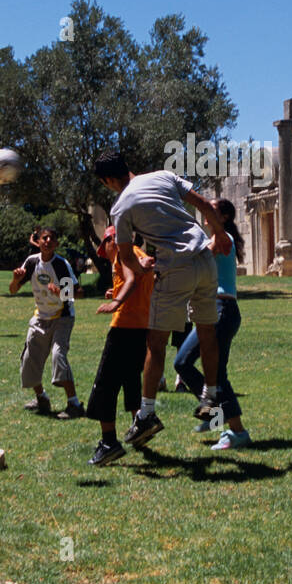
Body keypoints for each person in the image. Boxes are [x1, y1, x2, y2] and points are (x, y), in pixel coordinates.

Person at [93, 150, 231, 450]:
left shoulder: (121, 206)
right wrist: (219, 234)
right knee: (206, 331)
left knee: (155, 345)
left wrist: (138, 266)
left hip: (175, 267)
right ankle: (210, 395)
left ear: (107, 180)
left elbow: (127, 254)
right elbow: (205, 204)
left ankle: (146, 414)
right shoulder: (163, 176)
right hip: (205, 259)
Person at [173, 199, 252, 450]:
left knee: (190, 365)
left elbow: (193, 261)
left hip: (220, 310)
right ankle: (229, 427)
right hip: (216, 311)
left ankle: (224, 420)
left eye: (213, 208)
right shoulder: (217, 239)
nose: (206, 210)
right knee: (212, 374)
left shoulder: (222, 238)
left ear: (225, 217)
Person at [86, 226, 155, 465]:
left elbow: (132, 279)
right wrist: (117, 291)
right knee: (130, 379)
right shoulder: (139, 253)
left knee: (104, 385)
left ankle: (108, 443)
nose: (104, 252)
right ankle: (141, 424)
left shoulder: (124, 253)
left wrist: (116, 302)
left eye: (104, 246)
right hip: (141, 326)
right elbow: (143, 281)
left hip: (123, 326)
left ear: (111, 240)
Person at [10, 228, 83, 418]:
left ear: (56, 244)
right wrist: (16, 279)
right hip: (41, 317)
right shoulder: (32, 262)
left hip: (62, 317)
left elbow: (76, 293)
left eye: (52, 238)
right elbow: (13, 290)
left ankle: (74, 404)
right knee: (29, 358)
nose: (48, 241)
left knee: (58, 355)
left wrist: (60, 291)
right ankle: (41, 398)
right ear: (38, 242)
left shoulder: (60, 265)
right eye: (45, 238)